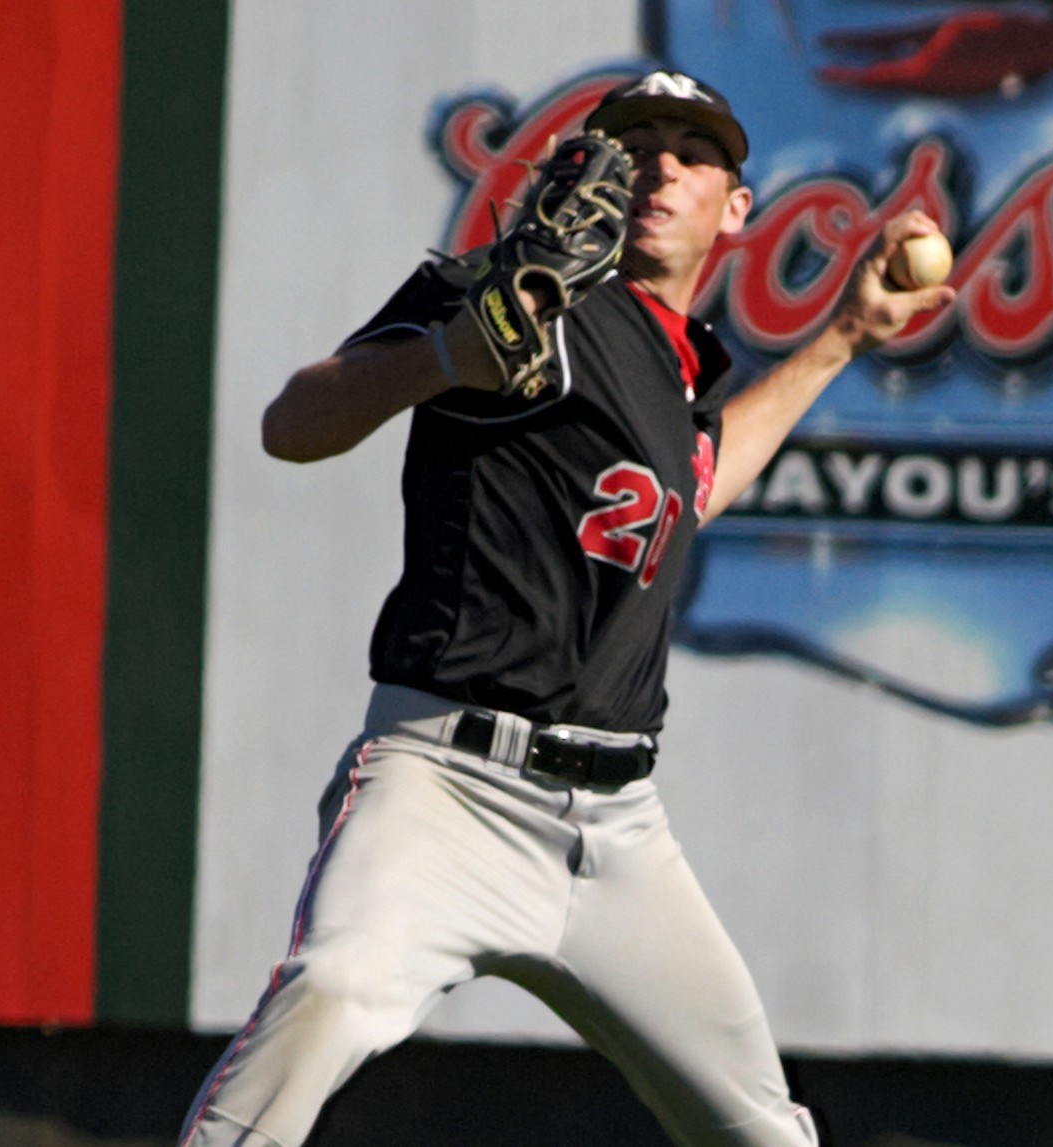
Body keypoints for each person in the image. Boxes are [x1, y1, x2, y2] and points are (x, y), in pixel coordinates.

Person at [179, 69, 955, 1147]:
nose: (660, 163)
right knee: (336, 988)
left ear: (737, 210)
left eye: (693, 150)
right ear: (582, 171)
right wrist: (451, 351)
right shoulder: (510, 291)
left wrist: (843, 336)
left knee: (765, 1134)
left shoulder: (672, 365)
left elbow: (695, 478)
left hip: (617, 829)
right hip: (444, 786)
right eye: (635, 140)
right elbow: (295, 421)